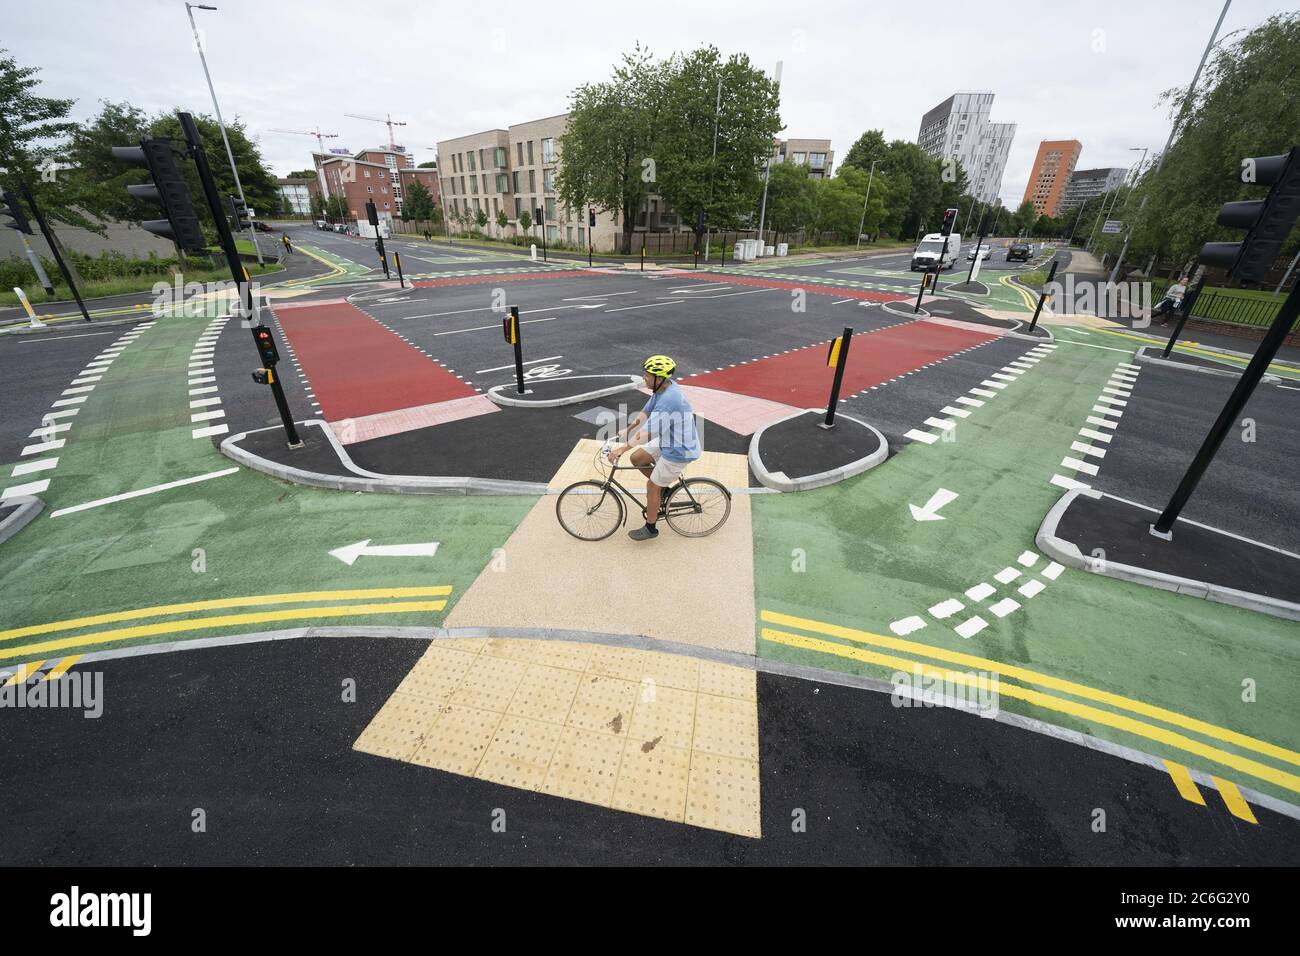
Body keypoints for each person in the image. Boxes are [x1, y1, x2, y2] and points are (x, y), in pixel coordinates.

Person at [607, 355, 702, 541]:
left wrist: (621, 449)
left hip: (679, 450)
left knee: (652, 486)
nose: (644, 378)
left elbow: (647, 433)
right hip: (669, 440)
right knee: (637, 459)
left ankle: (651, 528)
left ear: (659, 378)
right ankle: (663, 491)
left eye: (647, 376)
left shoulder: (669, 400)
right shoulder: (663, 388)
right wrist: (628, 428)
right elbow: (645, 411)